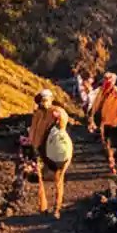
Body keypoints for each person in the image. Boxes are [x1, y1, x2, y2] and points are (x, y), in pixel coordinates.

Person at [28, 89, 72, 217]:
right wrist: (33, 145)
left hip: (54, 149)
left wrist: (60, 119)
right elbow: (33, 131)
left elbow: (64, 123)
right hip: (41, 150)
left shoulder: (57, 112)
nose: (44, 103)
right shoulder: (37, 114)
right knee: (41, 179)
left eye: (46, 100)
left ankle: (57, 208)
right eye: (42, 101)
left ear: (51, 100)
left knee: (58, 179)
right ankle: (43, 207)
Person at [88, 72, 117, 175]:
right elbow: (94, 107)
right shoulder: (100, 93)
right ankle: (112, 165)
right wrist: (91, 120)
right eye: (106, 79)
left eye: (109, 80)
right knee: (108, 146)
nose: (107, 82)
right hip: (107, 123)